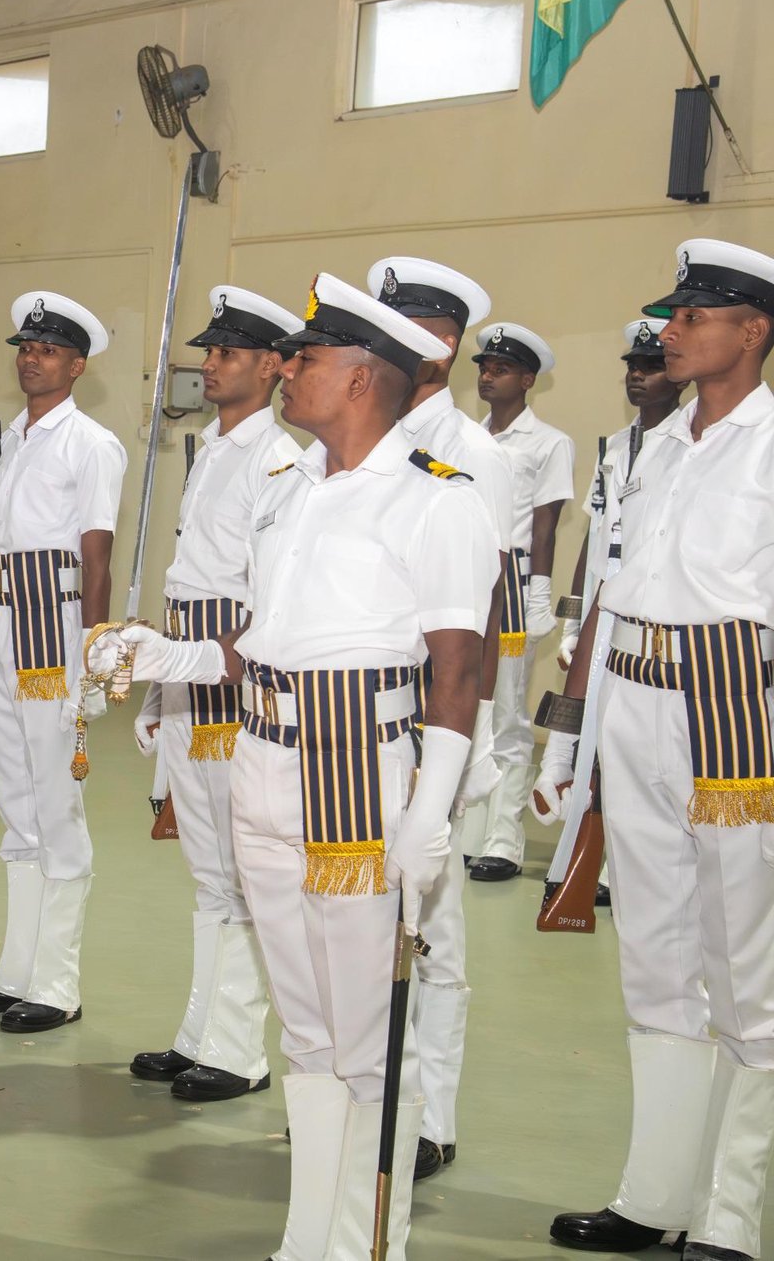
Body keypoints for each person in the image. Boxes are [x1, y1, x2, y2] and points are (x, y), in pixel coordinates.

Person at [93, 270, 496, 1259]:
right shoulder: (291, 491)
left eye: (307, 358)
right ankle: (303, 1240)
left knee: (364, 1040)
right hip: (264, 763)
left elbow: (457, 670)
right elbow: (259, 645)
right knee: (307, 1035)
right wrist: (164, 656)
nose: (288, 370)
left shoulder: (434, 502)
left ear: (361, 377)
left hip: (360, 773)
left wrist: (427, 817)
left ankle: (369, 1246)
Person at [539, 240, 774, 1261]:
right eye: (670, 316)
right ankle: (654, 1196)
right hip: (631, 697)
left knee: (746, 964)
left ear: (751, 330)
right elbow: (607, 587)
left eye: (692, 316)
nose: (668, 332)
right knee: (654, 957)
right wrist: (566, 731)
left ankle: (728, 1218)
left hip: (731, 699)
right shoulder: (651, 444)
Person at [128, 285, 302, 1103]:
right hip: (190, 675)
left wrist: (180, 664)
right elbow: (185, 584)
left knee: (243, 873)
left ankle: (239, 1049)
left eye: (230, 351)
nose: (211, 362)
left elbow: (264, 613)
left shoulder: (281, 462)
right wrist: (160, 693)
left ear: (273, 365)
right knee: (207, 872)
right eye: (210, 349)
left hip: (235, 682)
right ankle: (200, 1030)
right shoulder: (210, 447)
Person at [367, 254, 514, 1180]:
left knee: (434, 926)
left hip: (435, 716)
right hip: (359, 715)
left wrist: (467, 749)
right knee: (365, 913)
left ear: (443, 342)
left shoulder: (478, 453)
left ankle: (428, 1114)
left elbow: (487, 614)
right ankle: (372, 1090)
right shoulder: (357, 434)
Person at [0, 290, 123, 1033]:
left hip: (51, 632)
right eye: (25, 346)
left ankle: (56, 982)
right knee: (17, 807)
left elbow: (97, 557)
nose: (31, 357)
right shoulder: (15, 437)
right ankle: (16, 970)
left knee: (56, 807)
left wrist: (90, 657)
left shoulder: (92, 444)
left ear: (77, 364)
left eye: (48, 349)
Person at [464, 323, 573, 880]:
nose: (488, 375)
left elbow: (546, 524)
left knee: (506, 711)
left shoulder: (549, 442)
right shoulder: (469, 436)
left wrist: (538, 593)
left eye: (501, 369)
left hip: (512, 577)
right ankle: (469, 827)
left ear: (528, 379)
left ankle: (504, 839)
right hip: (467, 572)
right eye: (484, 367)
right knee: (462, 701)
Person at [556, 319, 685, 670]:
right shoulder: (612, 447)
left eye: (652, 367)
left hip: (649, 610)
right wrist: (573, 620)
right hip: (602, 596)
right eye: (632, 367)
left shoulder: (687, 447)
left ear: (680, 377)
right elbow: (593, 534)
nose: (637, 376)